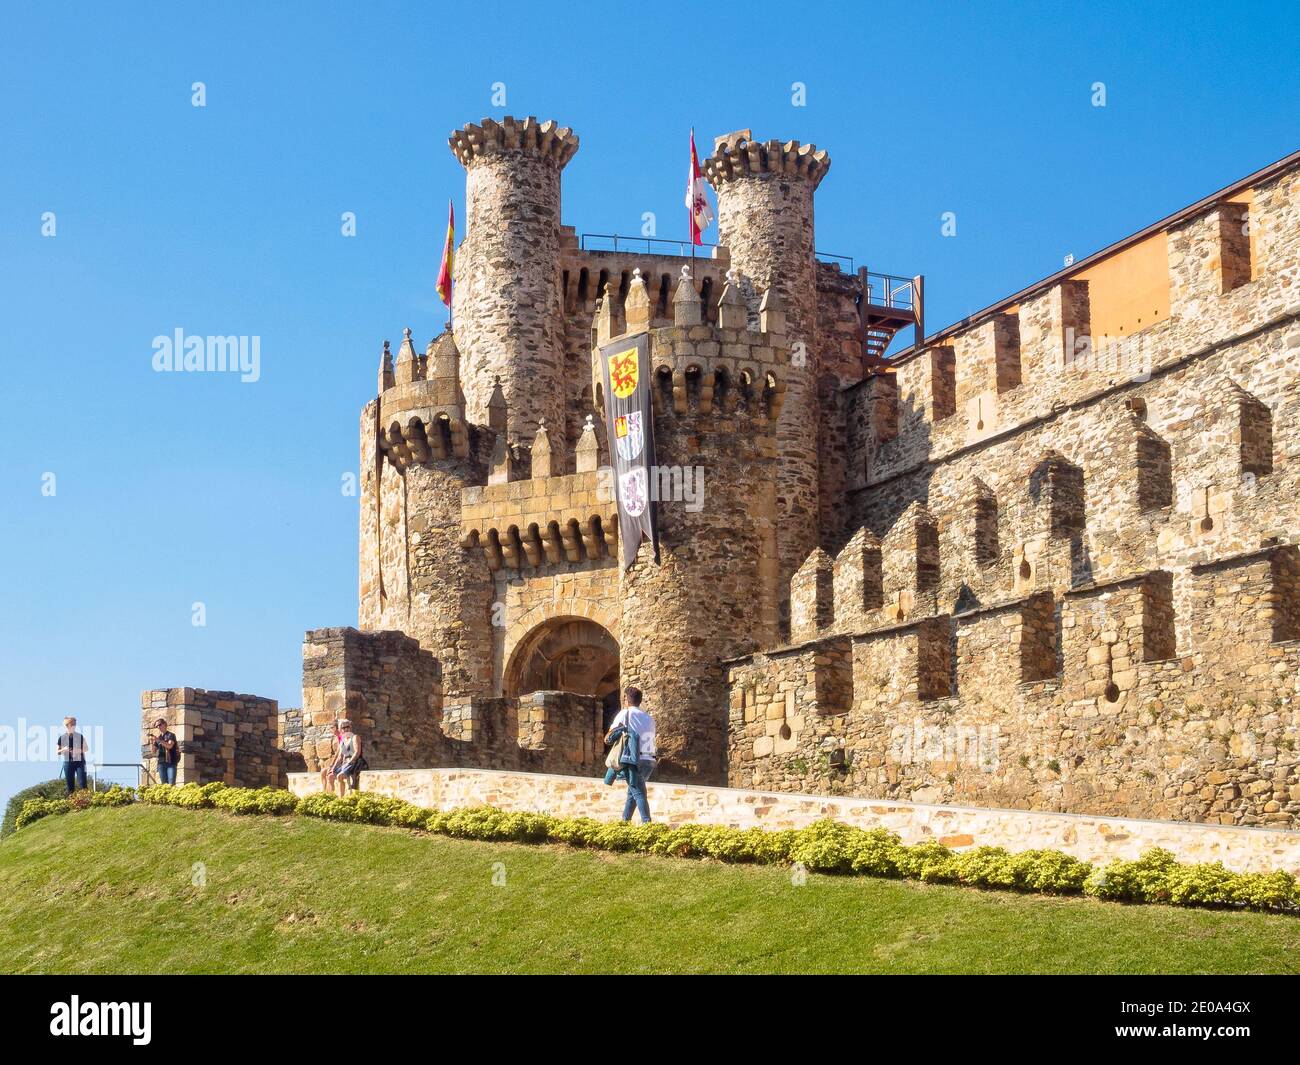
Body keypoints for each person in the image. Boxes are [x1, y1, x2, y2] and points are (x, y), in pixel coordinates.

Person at [604, 687, 656, 823]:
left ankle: (647, 824)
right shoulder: (649, 718)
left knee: (638, 792)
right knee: (632, 794)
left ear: (626, 699)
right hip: (649, 759)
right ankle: (625, 822)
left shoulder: (625, 714)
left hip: (633, 760)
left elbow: (611, 733)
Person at [57, 717, 91, 794]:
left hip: (80, 762)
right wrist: (64, 749)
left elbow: (86, 748)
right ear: (67, 725)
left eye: (75, 724)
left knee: (83, 783)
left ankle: (86, 802)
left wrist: (77, 750)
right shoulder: (62, 738)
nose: (74, 726)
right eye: (72, 724)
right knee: (70, 786)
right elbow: (58, 752)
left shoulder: (80, 736)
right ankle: (72, 803)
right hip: (68, 762)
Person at [330, 720, 363, 797]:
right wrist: (333, 768)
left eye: (347, 727)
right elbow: (340, 757)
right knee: (330, 776)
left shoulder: (355, 737)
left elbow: (357, 752)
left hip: (355, 761)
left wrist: (349, 762)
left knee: (340, 776)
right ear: (341, 729)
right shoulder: (343, 741)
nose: (346, 729)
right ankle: (331, 797)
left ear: (350, 727)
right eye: (343, 728)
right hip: (346, 762)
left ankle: (341, 798)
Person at [150, 717, 180, 785]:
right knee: (164, 784)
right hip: (161, 762)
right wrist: (152, 742)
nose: (158, 727)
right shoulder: (159, 737)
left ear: (165, 724)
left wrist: (158, 740)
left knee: (171, 782)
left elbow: (169, 746)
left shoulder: (171, 735)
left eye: (160, 725)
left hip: (171, 762)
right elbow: (153, 752)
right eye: (157, 726)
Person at [319, 718, 343, 792]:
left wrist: (333, 766)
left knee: (330, 775)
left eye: (332, 727)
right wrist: (332, 764)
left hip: (343, 762)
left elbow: (341, 754)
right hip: (338, 762)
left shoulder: (343, 737)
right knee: (323, 772)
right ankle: (324, 792)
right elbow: (337, 754)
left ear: (337, 728)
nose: (331, 729)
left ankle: (330, 795)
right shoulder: (339, 737)